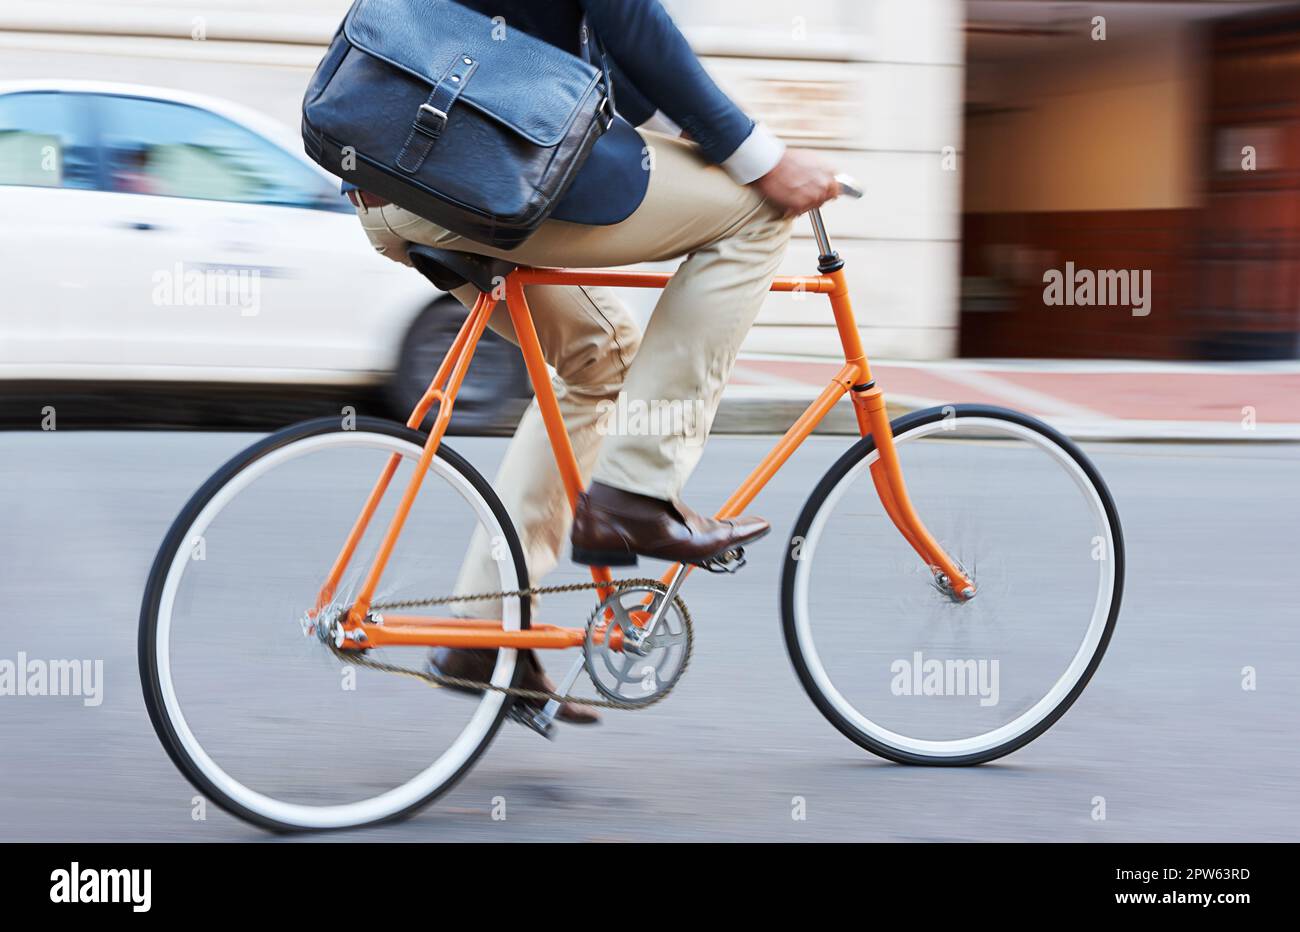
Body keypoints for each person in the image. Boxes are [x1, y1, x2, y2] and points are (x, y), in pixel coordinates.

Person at [350, 0, 840, 726]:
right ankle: (635, 494)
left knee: (600, 360)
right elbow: (632, 19)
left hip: (394, 183)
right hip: (473, 174)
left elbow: (625, 68)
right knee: (757, 213)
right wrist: (764, 161)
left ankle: (482, 630)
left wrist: (716, 135)